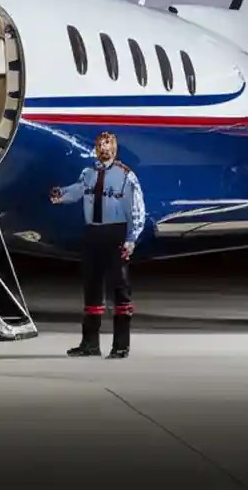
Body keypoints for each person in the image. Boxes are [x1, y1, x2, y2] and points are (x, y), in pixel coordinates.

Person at [50, 131, 145, 359]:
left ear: (115, 148)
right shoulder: (89, 174)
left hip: (116, 234)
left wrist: (131, 238)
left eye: (108, 145)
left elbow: (136, 209)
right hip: (93, 234)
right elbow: (78, 190)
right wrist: (60, 195)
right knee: (92, 289)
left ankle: (121, 346)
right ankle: (90, 344)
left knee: (119, 290)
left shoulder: (125, 176)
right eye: (100, 145)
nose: (104, 149)